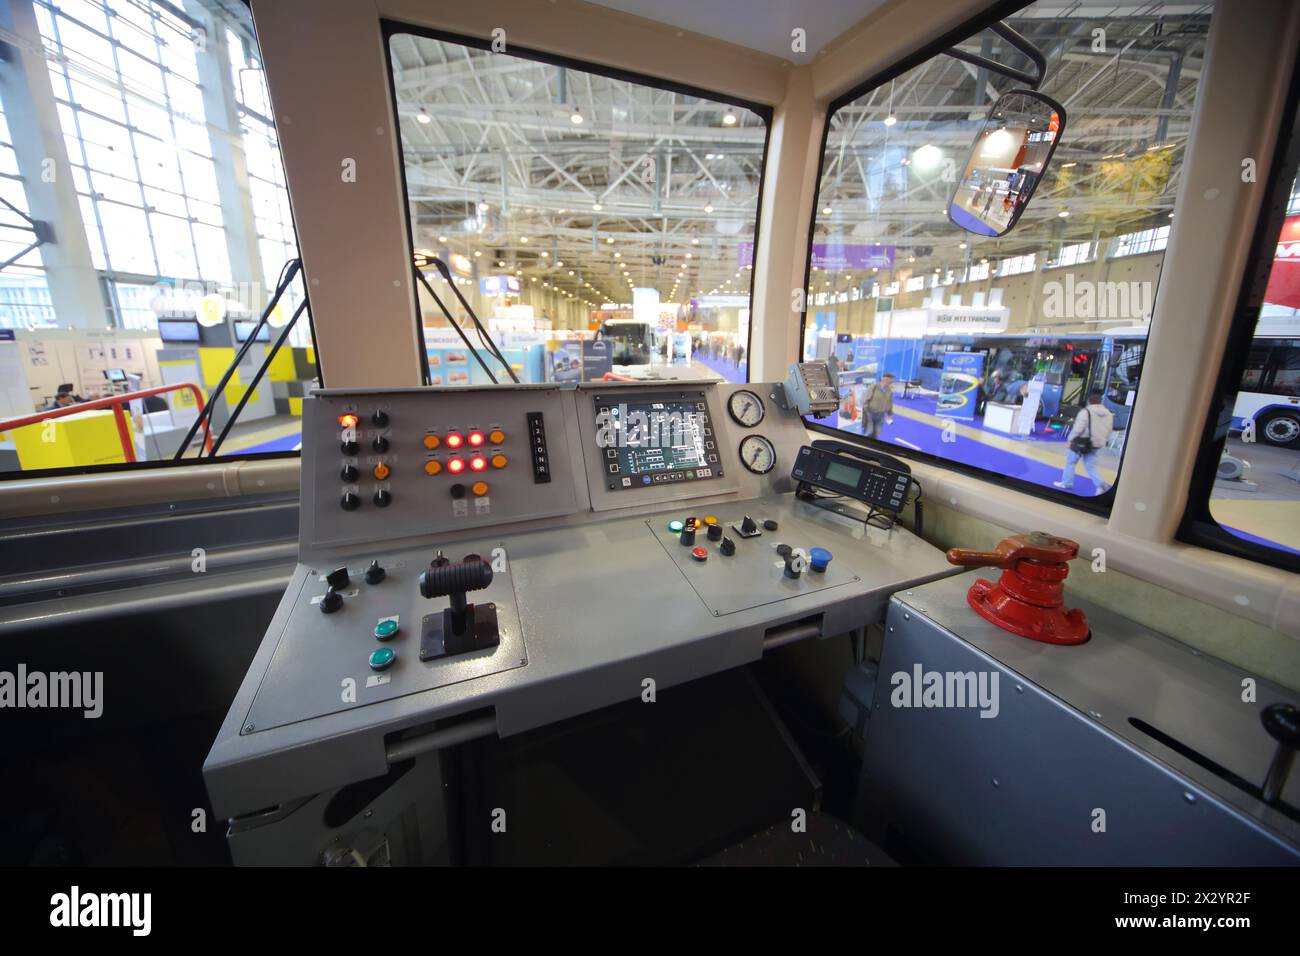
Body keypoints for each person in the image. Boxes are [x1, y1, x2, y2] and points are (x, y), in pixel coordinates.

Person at [1054, 390, 1114, 493]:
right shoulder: (1108, 414)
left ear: (1089, 401)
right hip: (1097, 444)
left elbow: (1078, 428)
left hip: (1081, 442)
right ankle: (1100, 484)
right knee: (1090, 466)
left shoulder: (1085, 412)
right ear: (1100, 402)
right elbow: (1109, 429)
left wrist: (1070, 439)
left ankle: (1067, 483)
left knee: (1070, 462)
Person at [861, 373, 895, 439]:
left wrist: (890, 414)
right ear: (884, 379)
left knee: (877, 433)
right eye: (890, 380)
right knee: (868, 432)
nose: (891, 382)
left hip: (881, 415)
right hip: (870, 413)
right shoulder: (874, 387)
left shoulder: (889, 391)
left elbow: (890, 403)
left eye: (891, 381)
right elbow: (865, 399)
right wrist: (867, 411)